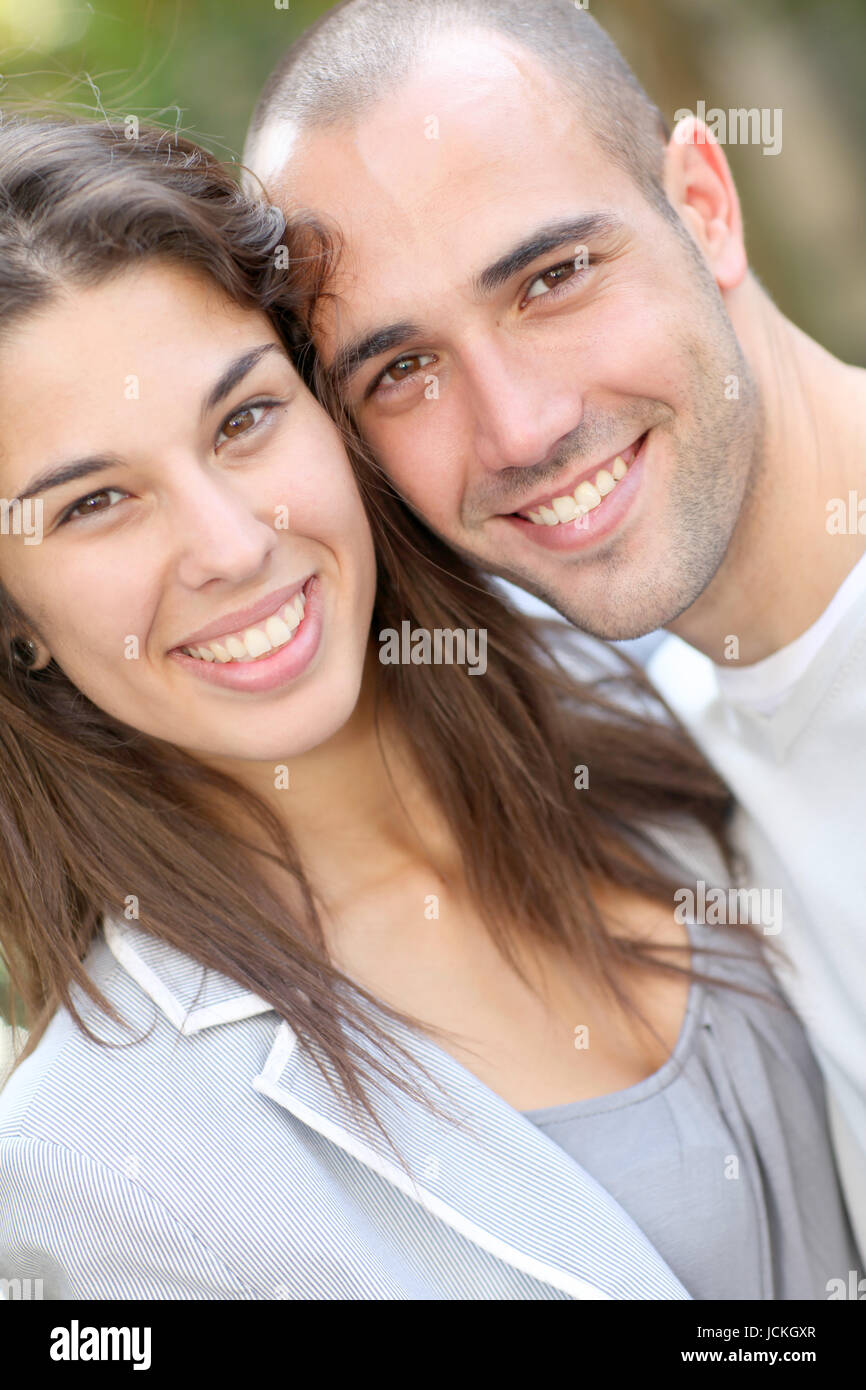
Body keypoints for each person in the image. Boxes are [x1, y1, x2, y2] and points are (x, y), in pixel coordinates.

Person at [0, 117, 858, 1302]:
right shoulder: (89, 1169)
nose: (231, 546)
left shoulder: (641, 692)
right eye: (95, 503)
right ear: (18, 618)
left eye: (243, 420)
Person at [242, 0, 866, 1257]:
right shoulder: (662, 767)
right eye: (402, 370)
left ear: (703, 204)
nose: (517, 428)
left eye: (552, 277)